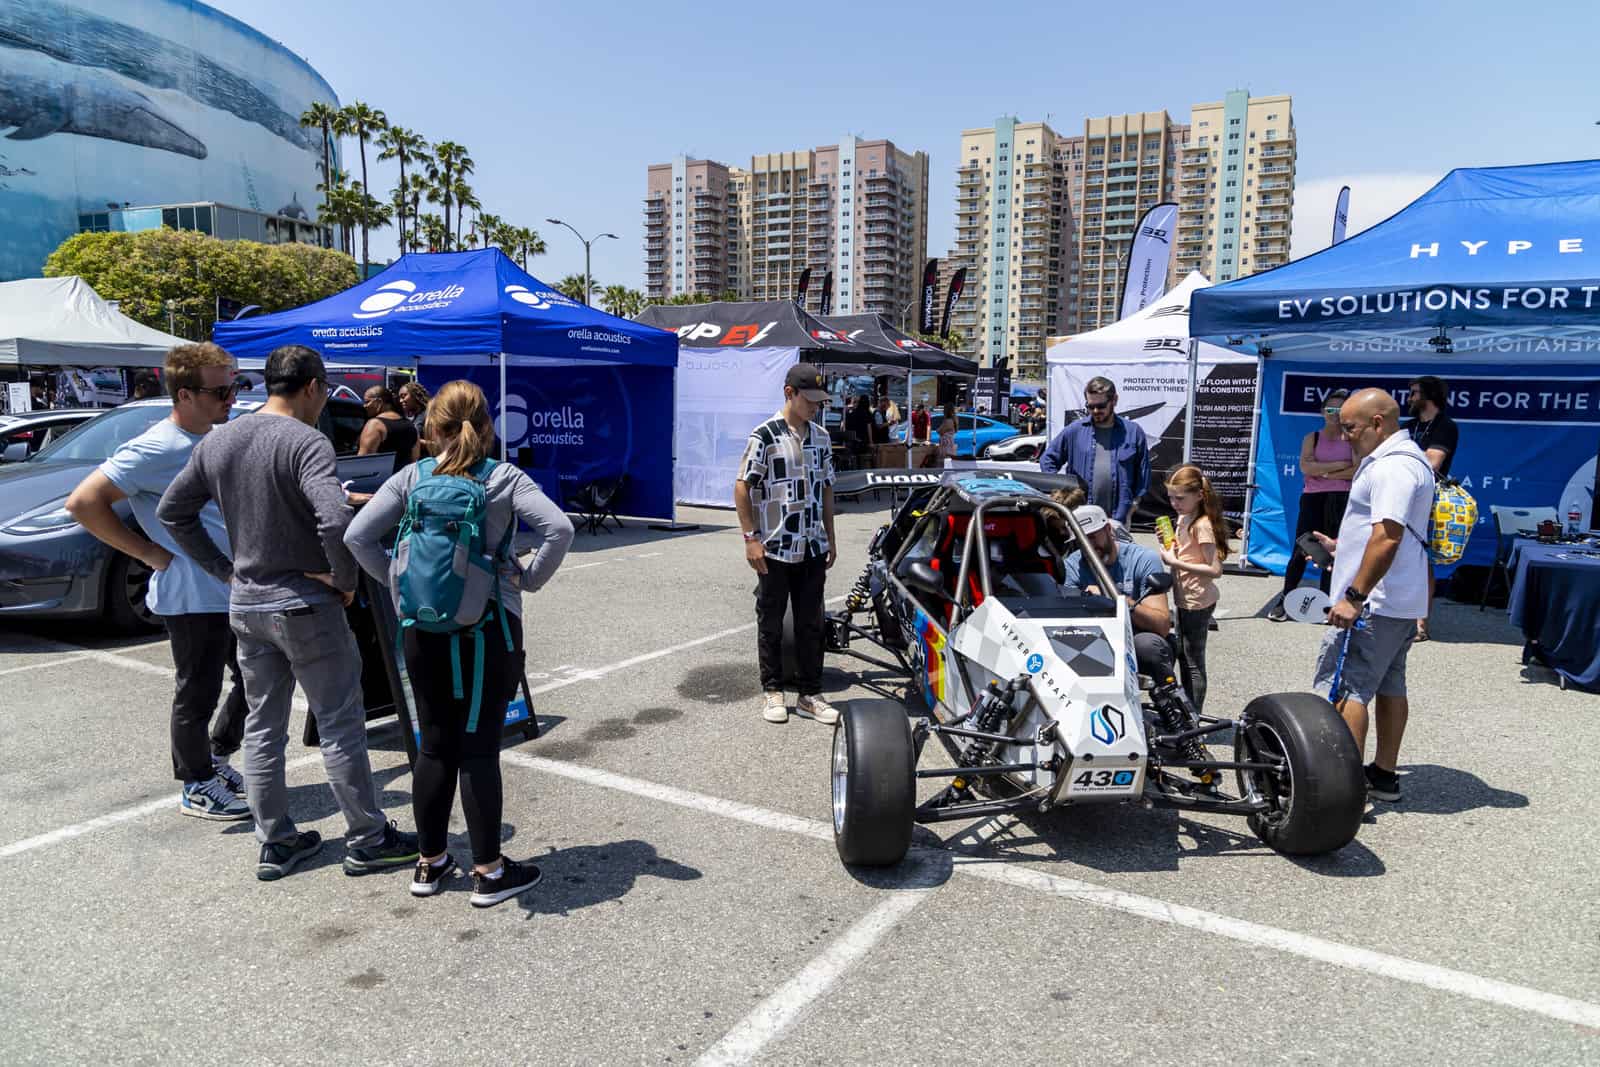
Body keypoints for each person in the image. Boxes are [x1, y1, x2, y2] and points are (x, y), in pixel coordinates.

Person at [158, 344, 419, 882]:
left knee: (263, 726)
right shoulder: (307, 441)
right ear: (313, 387)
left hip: (248, 605)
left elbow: (172, 512)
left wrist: (225, 571)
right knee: (341, 724)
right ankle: (368, 838)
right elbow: (331, 518)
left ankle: (276, 841)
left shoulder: (219, 440)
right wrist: (345, 580)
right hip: (305, 605)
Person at [346, 380, 574, 907]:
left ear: (432, 427)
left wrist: (398, 583)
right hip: (487, 628)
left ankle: (429, 863)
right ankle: (489, 872)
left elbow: (357, 536)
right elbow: (558, 529)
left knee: (433, 742)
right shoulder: (503, 478)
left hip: (421, 626)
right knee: (478, 747)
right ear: (486, 425)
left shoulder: (411, 476)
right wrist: (529, 579)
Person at [65, 343, 250, 821]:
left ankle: (212, 757)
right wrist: (149, 553)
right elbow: (83, 502)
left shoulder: (214, 435)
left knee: (254, 679)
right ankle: (195, 783)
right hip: (191, 596)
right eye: (220, 390)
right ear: (185, 394)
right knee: (198, 691)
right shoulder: (155, 446)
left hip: (230, 587)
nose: (231, 397)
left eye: (235, 386)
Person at [1312, 387, 1434, 804]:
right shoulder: (1407, 461)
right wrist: (1340, 546)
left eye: (1350, 427)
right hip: (1398, 600)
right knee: (1390, 685)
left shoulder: (1393, 468)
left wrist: (1353, 595)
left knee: (1350, 687)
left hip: (1375, 603)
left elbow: (1387, 537)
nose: (1344, 436)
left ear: (1378, 423)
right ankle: (1382, 775)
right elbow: (1379, 532)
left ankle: (1344, 793)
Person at [735, 362, 839, 727]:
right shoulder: (764, 435)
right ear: (789, 393)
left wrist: (830, 535)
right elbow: (742, 486)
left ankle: (810, 694)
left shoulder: (822, 438)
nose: (815, 406)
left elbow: (826, 486)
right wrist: (751, 538)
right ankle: (773, 690)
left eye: (818, 401)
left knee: (812, 622)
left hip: (811, 546)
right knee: (772, 622)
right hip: (775, 548)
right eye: (809, 399)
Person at [1269, 389, 1355, 621]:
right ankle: (1285, 599)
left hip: (1340, 499)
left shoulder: (1353, 439)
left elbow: (1355, 469)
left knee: (1333, 551)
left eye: (1340, 410)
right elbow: (1306, 468)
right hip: (1312, 498)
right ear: (1322, 412)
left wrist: (1322, 469)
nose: (1334, 414)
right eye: (1330, 409)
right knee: (1301, 548)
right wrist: (1339, 467)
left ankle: (1329, 602)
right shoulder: (1312, 438)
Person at [1158, 465, 1228, 713]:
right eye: (1170, 497)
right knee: (1184, 655)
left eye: (1180, 498)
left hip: (1197, 600)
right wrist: (1171, 545)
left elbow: (1215, 569)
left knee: (1193, 661)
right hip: (1184, 596)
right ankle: (1187, 708)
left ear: (1199, 496)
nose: (1174, 503)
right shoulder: (1185, 517)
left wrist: (1174, 561)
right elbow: (1189, 552)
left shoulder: (1202, 525)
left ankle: (1193, 715)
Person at [1038, 377, 1150, 527]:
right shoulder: (1075, 431)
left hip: (1118, 519)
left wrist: (1133, 506)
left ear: (1114, 401)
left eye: (1101, 406)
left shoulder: (1133, 432)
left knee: (1116, 551)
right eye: (1090, 407)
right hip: (1080, 518)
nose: (1096, 411)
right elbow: (1048, 460)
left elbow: (1143, 474)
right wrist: (1060, 493)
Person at [1403, 375, 1458, 642]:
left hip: (1428, 500)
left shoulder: (1445, 426)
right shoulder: (1407, 426)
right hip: (1402, 497)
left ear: (1429, 396)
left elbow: (1432, 462)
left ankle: (1420, 623)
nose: (1409, 398)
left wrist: (1401, 459)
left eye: (1414, 393)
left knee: (1422, 561)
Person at [358, 385, 420, 473]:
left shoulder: (375, 425)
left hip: (382, 483)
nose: (364, 406)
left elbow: (362, 463)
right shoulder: (411, 425)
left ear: (379, 402)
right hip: (406, 482)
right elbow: (414, 460)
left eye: (367, 402)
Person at [398, 381, 431, 445]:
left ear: (415, 395)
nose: (400, 401)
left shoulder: (429, 415)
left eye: (403, 396)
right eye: (400, 397)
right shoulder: (416, 417)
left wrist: (409, 440)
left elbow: (440, 444)